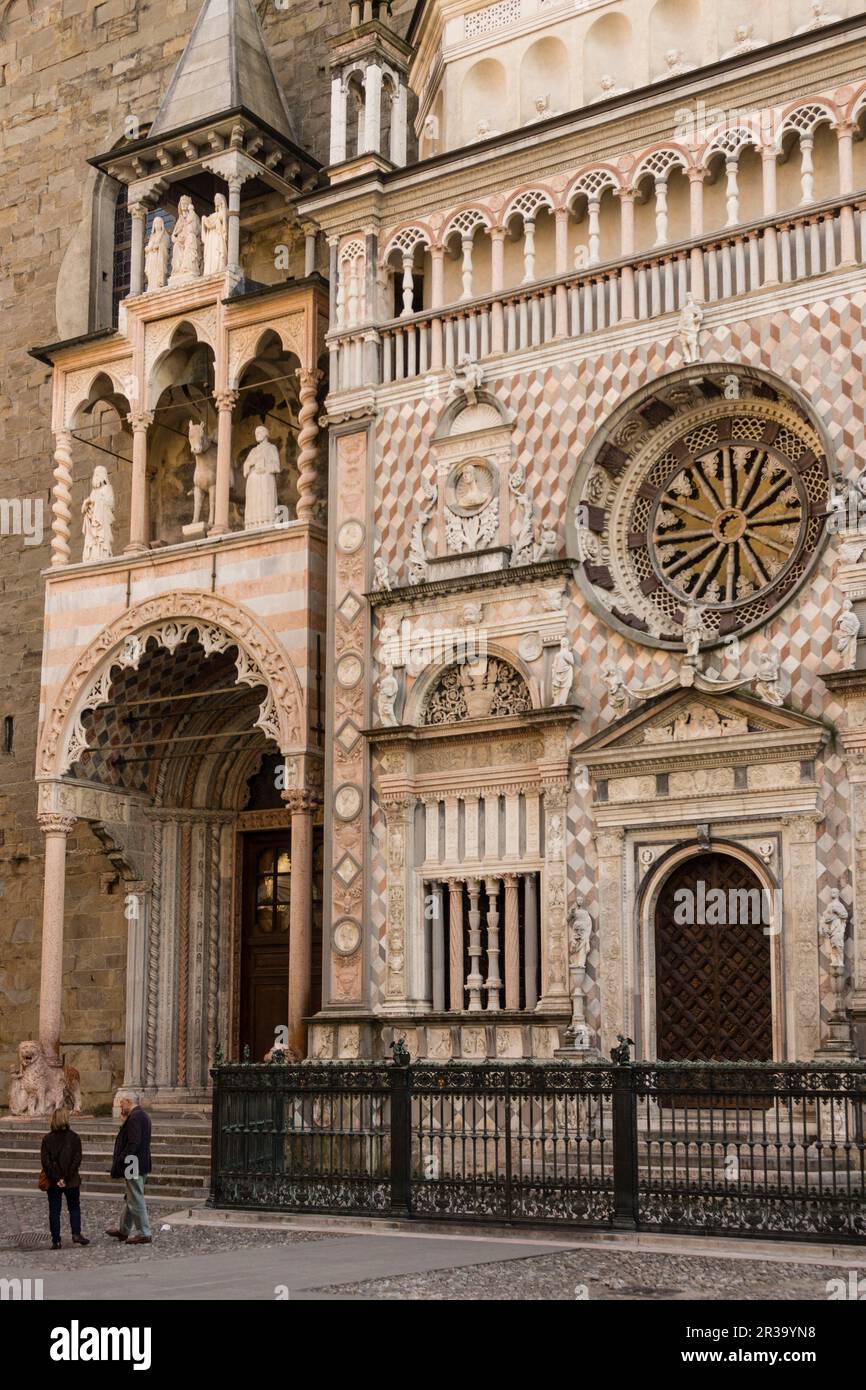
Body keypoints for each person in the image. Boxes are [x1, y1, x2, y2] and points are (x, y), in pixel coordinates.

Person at [105, 1093, 153, 1245]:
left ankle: (144, 1232)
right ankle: (124, 1230)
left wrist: (121, 1159)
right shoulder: (142, 1116)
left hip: (133, 1162)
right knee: (130, 1197)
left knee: (135, 1197)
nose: (120, 1107)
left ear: (128, 1101)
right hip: (140, 1161)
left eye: (122, 1103)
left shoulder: (135, 1117)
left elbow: (134, 1142)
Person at [41, 1106, 89, 1250]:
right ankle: (76, 1233)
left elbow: (45, 1162)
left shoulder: (47, 1139)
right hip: (71, 1180)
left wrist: (56, 1179)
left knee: (54, 1210)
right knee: (74, 1207)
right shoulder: (74, 1137)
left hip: (54, 1180)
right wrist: (66, 1178)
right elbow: (77, 1160)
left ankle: (56, 1240)